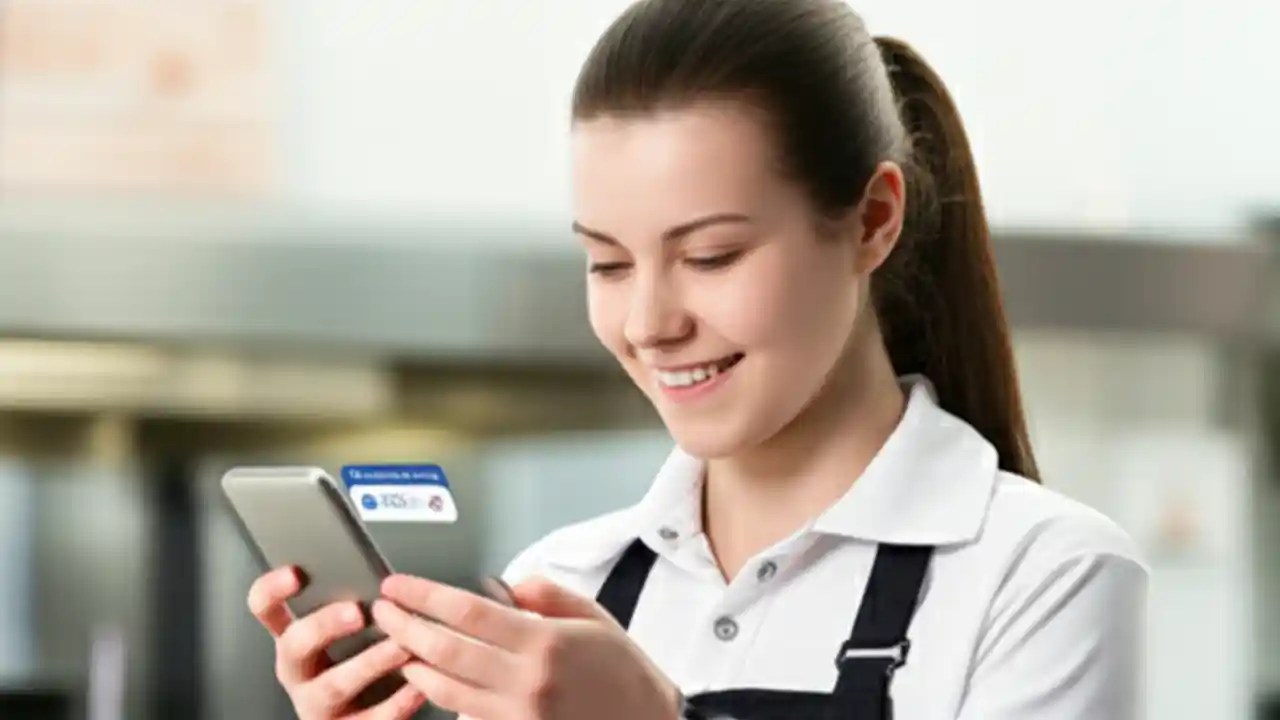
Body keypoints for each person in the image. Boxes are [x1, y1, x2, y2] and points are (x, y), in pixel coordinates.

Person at [246, 0, 1149, 718]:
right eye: (607, 262)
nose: (648, 323)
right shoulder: (559, 587)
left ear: (873, 220)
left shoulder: (1044, 579)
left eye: (711, 256)